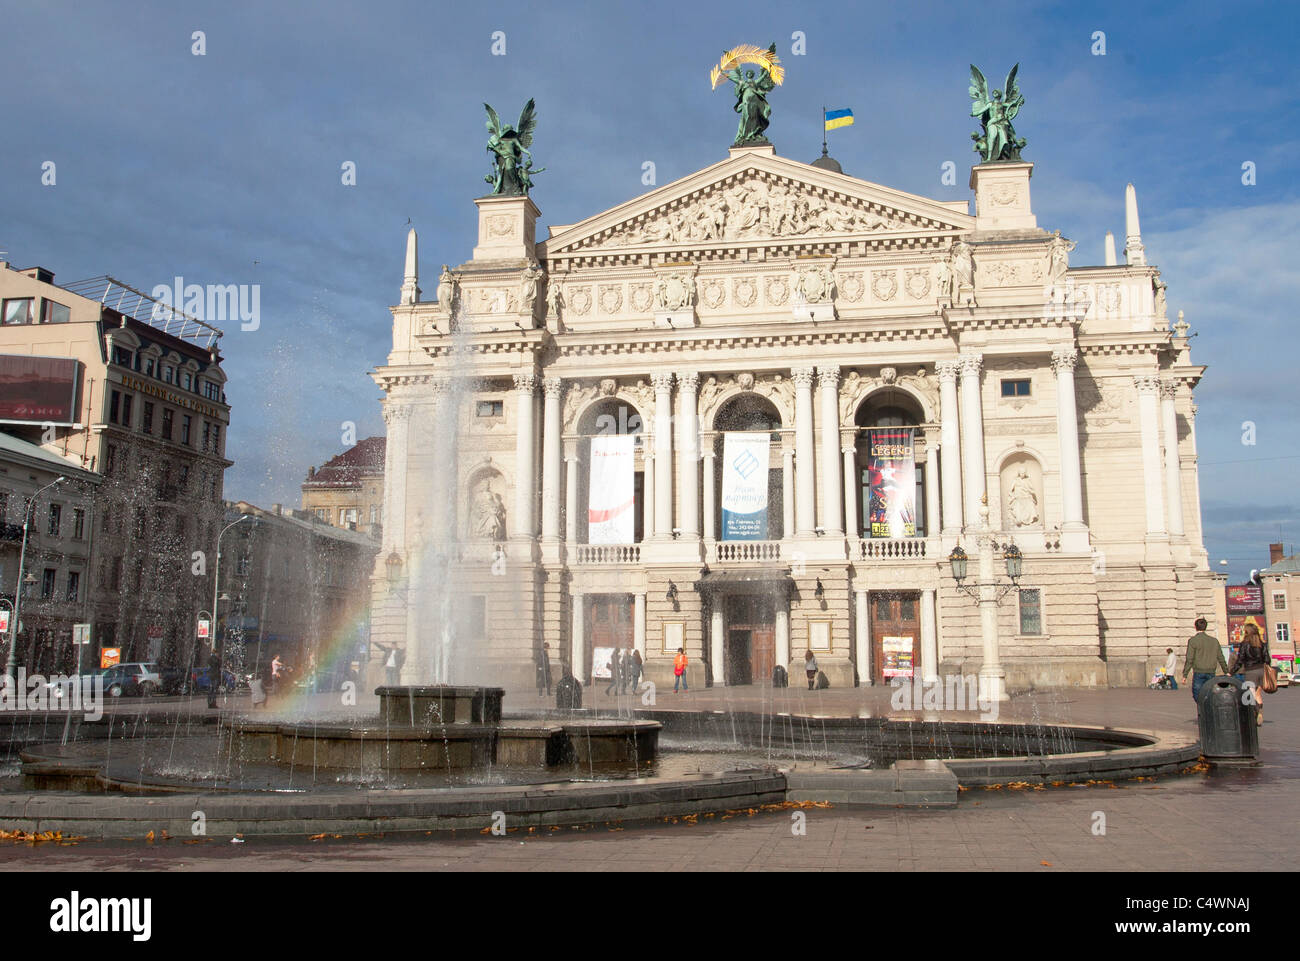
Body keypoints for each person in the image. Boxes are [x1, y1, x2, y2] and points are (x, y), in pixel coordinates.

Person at [1228, 622, 1271, 726]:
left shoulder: (1245, 644)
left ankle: (1253, 714)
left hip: (1250, 672)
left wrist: (1232, 672)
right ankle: (1259, 711)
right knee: (1258, 694)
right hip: (1261, 671)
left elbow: (1240, 659)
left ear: (1247, 632)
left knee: (1250, 695)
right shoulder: (1262, 643)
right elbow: (1267, 659)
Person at [1181, 618, 1227, 705]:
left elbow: (1189, 658)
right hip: (1211, 671)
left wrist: (1185, 674)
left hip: (1199, 671)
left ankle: (1203, 709)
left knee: (1197, 694)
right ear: (1206, 627)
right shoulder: (1214, 641)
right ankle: (1208, 708)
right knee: (1210, 693)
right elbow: (1221, 657)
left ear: (1195, 627)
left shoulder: (1193, 640)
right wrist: (1226, 671)